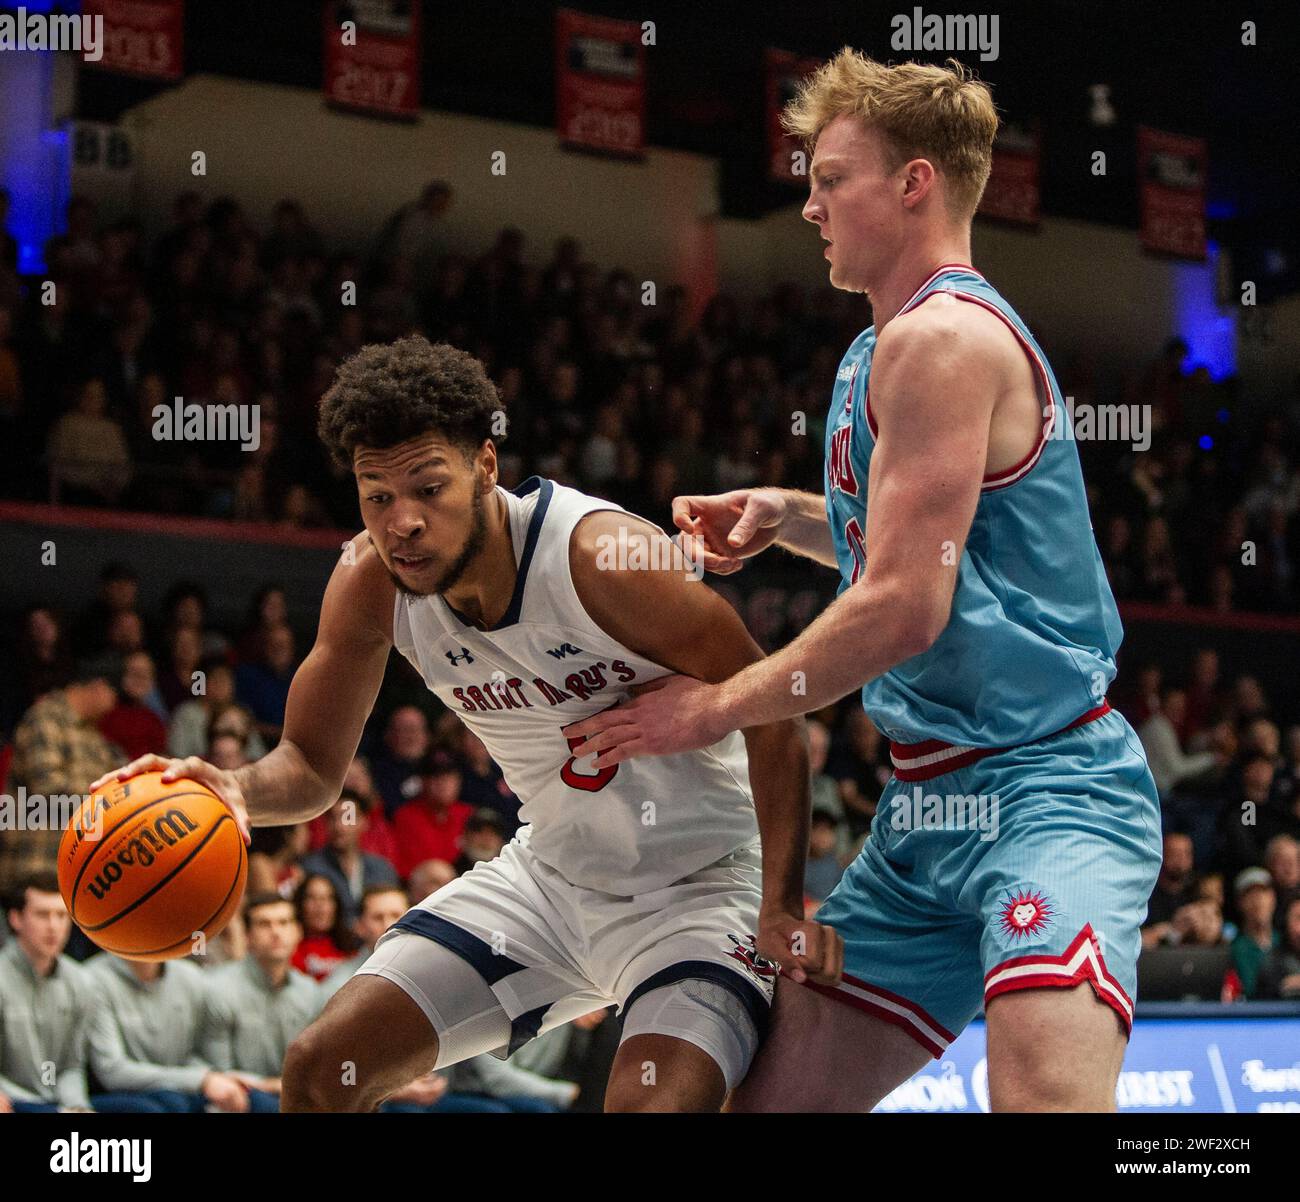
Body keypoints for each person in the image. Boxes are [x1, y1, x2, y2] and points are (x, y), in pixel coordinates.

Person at [566, 50, 1162, 1113]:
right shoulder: (874, 349)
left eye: (830, 177)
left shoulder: (944, 339)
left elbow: (903, 602)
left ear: (914, 183)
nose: (808, 204)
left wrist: (712, 707)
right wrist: (790, 515)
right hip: (925, 805)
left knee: (1046, 1101)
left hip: (1047, 787)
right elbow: (921, 553)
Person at [96, 335, 829, 1113]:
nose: (401, 521)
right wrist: (237, 792)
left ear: (486, 465)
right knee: (321, 1070)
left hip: (702, 887)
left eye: (427, 488)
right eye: (376, 496)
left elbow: (776, 711)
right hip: (549, 880)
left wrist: (780, 905)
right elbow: (311, 767)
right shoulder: (367, 584)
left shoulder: (601, 557)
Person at [199, 893, 324, 1112]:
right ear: (247, 936)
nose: (276, 932)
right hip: (240, 1098)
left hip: (294, 1093)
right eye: (264, 924)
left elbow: (318, 1065)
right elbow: (219, 1071)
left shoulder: (310, 991)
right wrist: (273, 1086)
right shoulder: (219, 988)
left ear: (298, 932)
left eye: (284, 923)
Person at [0, 661, 118, 892]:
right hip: (34, 867)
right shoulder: (45, 718)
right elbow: (49, 790)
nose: (113, 707)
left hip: (79, 874)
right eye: (115, 695)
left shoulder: (94, 736)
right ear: (100, 687)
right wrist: (112, 804)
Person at [85, 952, 251, 1113]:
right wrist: (201, 1080)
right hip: (113, 1092)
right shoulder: (93, 978)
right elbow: (112, 1072)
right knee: (169, 1105)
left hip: (179, 1084)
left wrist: (221, 1078)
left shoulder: (190, 976)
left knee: (254, 1101)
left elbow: (204, 1055)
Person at [0, 875, 95, 1112]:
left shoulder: (81, 980)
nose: (53, 926)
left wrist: (76, 1106)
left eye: (61, 915)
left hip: (56, 1101)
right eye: (42, 915)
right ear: (15, 918)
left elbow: (72, 1065)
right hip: (13, 1101)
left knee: (148, 1106)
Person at [301, 791, 400, 922]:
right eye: (332, 818)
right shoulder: (310, 868)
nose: (338, 826)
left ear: (364, 822)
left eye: (347, 818)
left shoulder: (382, 869)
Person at [290, 873, 361, 982]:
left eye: (328, 898)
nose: (320, 906)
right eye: (312, 898)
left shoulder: (350, 945)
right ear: (300, 904)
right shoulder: (290, 946)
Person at [1229, 868, 1279, 999]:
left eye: (1263, 892)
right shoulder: (1234, 949)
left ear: (1273, 898)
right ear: (1239, 903)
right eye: (1250, 893)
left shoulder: (1287, 942)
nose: (1258, 900)